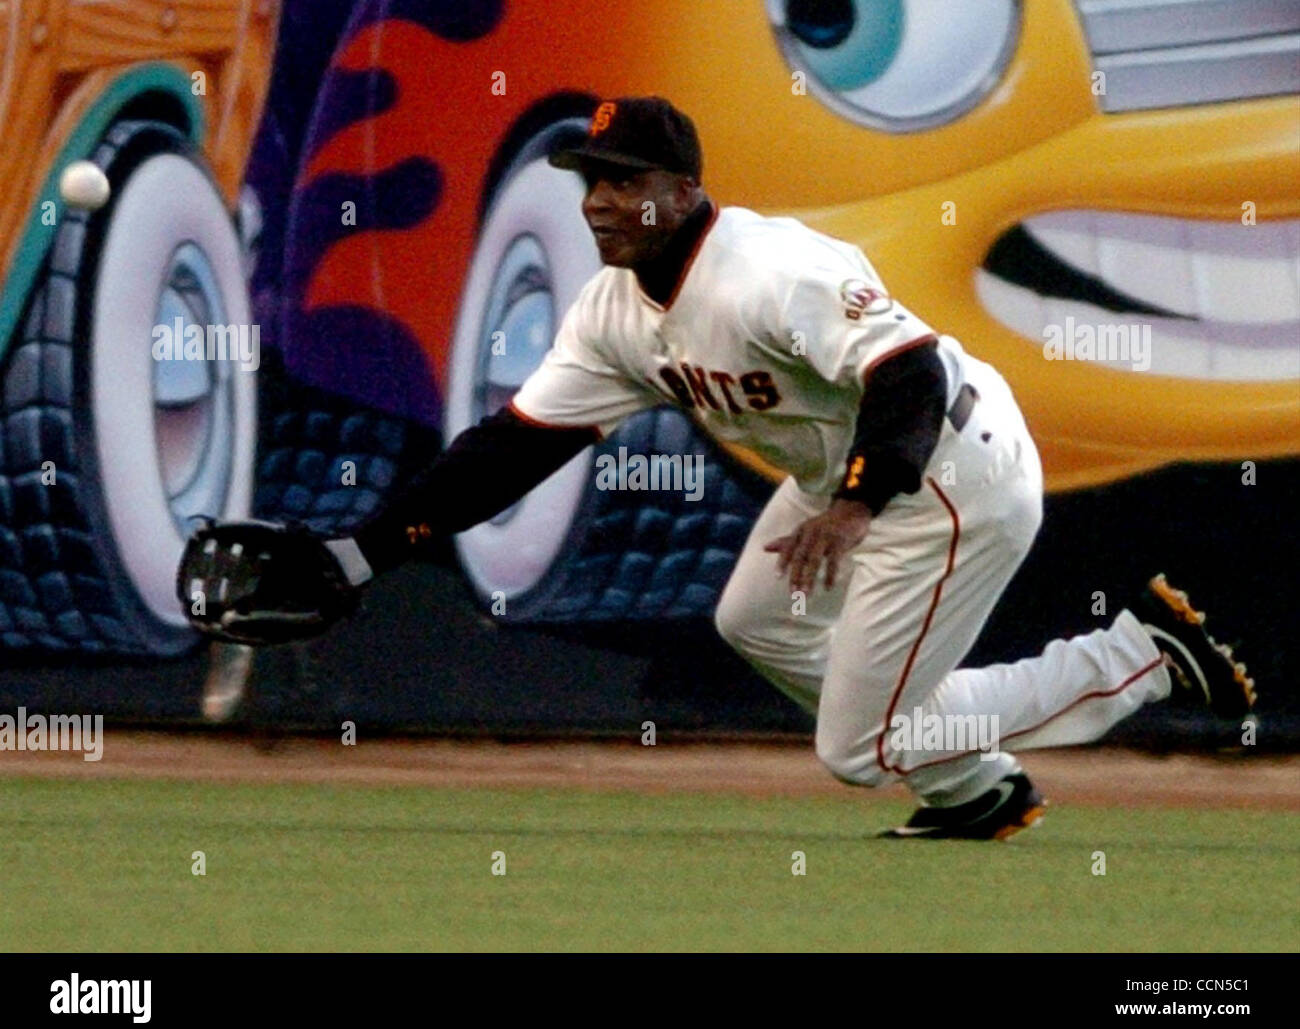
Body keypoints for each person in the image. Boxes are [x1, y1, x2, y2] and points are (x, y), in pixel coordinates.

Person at [179, 97, 1256, 839]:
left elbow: (913, 375)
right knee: (758, 623)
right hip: (848, 470)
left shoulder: (771, 271)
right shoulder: (612, 312)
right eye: (586, 180)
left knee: (856, 742)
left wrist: (852, 503)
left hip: (946, 471)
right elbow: (512, 448)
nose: (598, 199)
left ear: (685, 188)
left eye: (623, 180)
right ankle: (972, 790)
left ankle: (1141, 658)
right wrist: (361, 557)